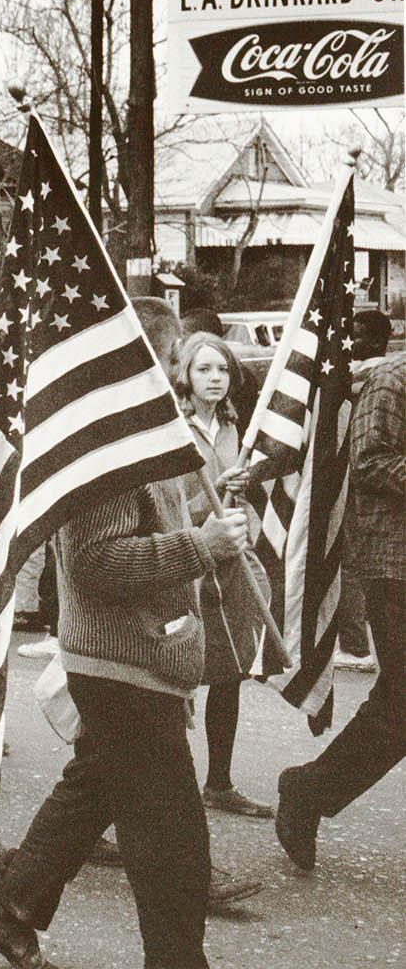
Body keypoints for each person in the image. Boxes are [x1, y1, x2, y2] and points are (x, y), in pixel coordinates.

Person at [0, 298, 249, 969]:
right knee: (173, 841)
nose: (179, 375)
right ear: (136, 363)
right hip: (123, 661)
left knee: (97, 785)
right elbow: (96, 563)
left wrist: (215, 534)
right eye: (172, 359)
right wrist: (199, 546)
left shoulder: (142, 438)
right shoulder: (107, 449)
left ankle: (11, 905)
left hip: (138, 653)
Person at [275, 334, 406, 875]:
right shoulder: (392, 381)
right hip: (393, 564)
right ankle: (307, 791)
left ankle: (308, 791)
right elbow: (371, 461)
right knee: (400, 701)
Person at [172, 333, 271, 820]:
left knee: (228, 673)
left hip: (230, 562)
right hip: (185, 563)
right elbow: (168, 511)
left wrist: (245, 500)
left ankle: (221, 781)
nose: (215, 379)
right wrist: (215, 488)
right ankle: (165, 787)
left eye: (223, 370)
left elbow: (245, 501)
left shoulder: (235, 427)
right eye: (204, 370)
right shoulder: (173, 429)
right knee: (177, 675)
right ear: (185, 375)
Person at [335, 309, 395, 671]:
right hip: (382, 488)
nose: (349, 342)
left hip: (353, 480)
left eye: (355, 335)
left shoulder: (360, 380)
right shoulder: (391, 377)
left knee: (351, 563)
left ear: (373, 340)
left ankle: (355, 645)